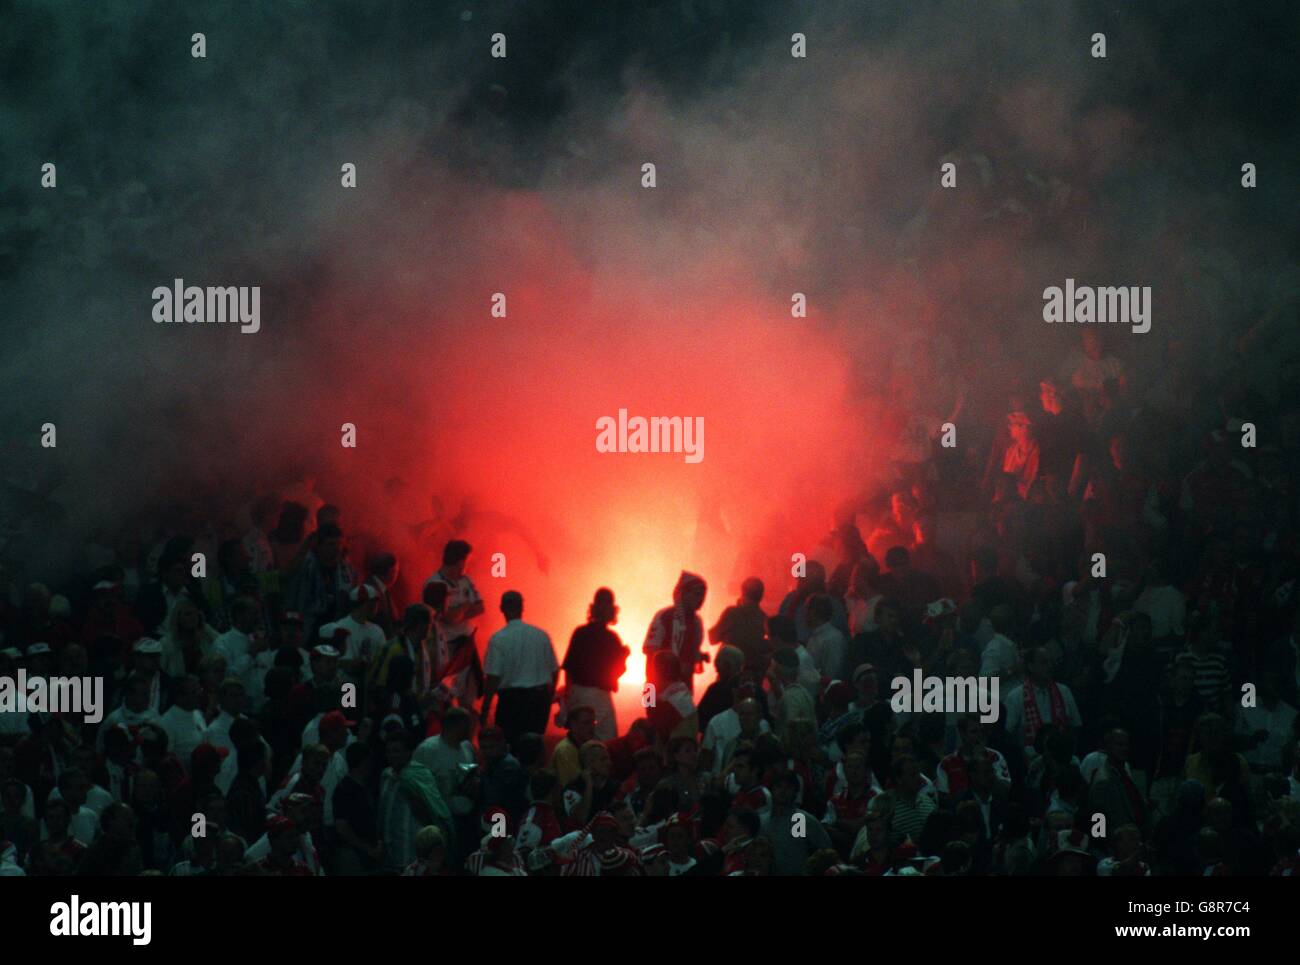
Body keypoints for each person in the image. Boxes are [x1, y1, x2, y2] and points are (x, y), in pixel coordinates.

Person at [482, 591, 558, 746]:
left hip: (512, 702)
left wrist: (485, 708)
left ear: (502, 608)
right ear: (522, 607)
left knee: (510, 745)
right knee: (533, 748)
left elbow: (493, 677)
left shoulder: (498, 639)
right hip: (539, 700)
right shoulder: (541, 635)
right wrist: (549, 695)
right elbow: (555, 670)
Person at [422, 540, 485, 708]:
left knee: (470, 696)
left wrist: (459, 611)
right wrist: (465, 607)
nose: (468, 566)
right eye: (467, 562)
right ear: (459, 562)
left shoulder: (467, 581)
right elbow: (448, 617)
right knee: (445, 697)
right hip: (446, 647)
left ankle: (468, 732)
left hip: (466, 644)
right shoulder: (434, 583)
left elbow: (480, 608)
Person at [561, 588, 629, 741]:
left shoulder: (580, 633)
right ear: (612, 611)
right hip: (600, 696)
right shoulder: (612, 639)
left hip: (578, 693)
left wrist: (568, 696)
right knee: (606, 741)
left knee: (579, 739)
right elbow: (616, 672)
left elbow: (569, 668)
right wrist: (623, 656)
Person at [643, 571, 709, 694]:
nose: (701, 599)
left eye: (702, 595)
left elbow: (690, 651)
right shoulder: (664, 616)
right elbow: (651, 651)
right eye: (696, 594)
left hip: (684, 686)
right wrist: (649, 697)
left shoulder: (697, 622)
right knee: (655, 712)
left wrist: (699, 656)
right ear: (683, 594)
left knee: (683, 713)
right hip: (658, 684)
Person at [708, 578, 769, 677]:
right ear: (761, 596)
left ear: (743, 593)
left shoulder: (732, 613)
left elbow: (713, 638)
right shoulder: (764, 619)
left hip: (728, 674)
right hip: (752, 676)